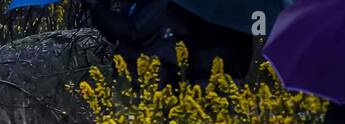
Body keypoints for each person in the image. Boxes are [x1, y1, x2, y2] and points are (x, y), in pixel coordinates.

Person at [81, 0, 254, 86]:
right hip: (218, 82)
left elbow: (134, 32)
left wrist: (98, 7)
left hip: (182, 84)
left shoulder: (171, 6)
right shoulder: (237, 12)